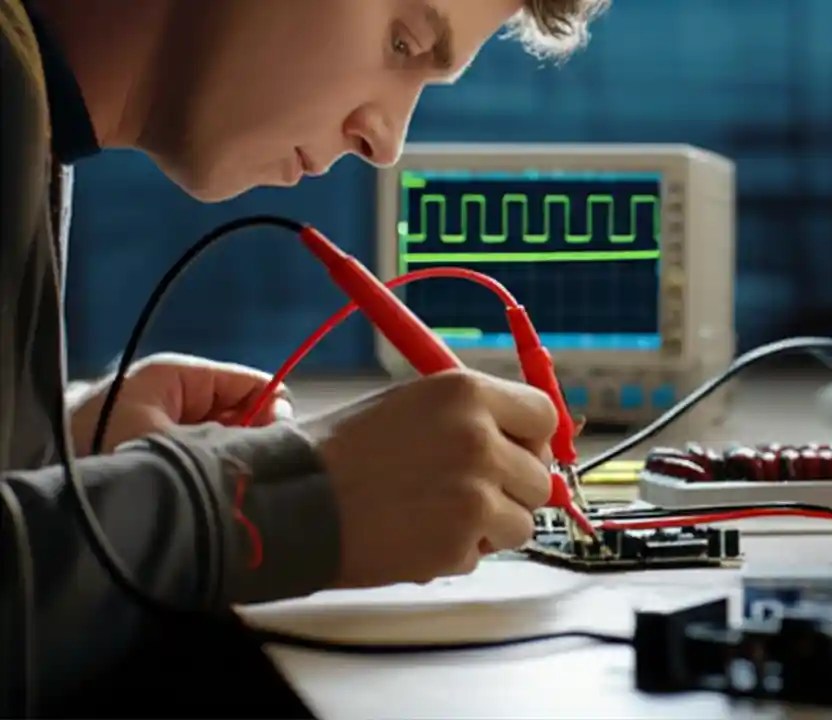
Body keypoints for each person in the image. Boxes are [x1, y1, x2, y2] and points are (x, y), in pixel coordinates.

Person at [0, 0, 608, 715]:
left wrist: (67, 456)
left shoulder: (36, 115)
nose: (387, 143)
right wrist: (281, 499)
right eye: (403, 41)